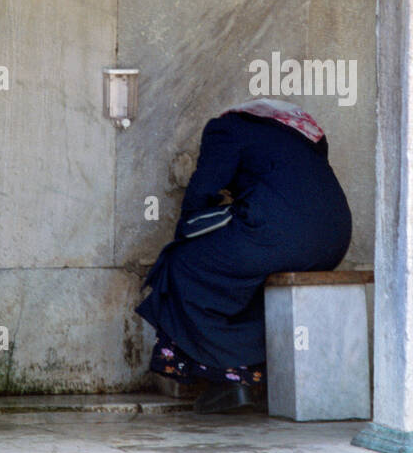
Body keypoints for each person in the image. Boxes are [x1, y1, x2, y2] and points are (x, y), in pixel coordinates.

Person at [136, 98, 353, 413]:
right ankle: (257, 367)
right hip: (334, 240)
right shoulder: (303, 132)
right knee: (246, 276)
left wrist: (186, 231)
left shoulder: (228, 127)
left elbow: (203, 188)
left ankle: (231, 377)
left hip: (275, 234)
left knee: (182, 264)